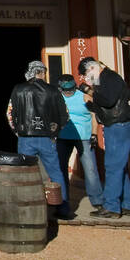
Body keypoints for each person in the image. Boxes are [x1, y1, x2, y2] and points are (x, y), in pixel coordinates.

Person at [8, 60, 74, 220]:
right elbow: (65, 115)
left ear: (30, 72)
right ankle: (62, 207)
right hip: (47, 137)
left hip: (26, 138)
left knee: (24, 173)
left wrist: (18, 131)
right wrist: (55, 132)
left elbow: (10, 113)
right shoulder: (53, 91)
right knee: (56, 172)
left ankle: (25, 207)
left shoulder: (19, 89)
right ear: (43, 72)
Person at [78, 57, 130, 219]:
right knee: (120, 166)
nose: (86, 78)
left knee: (112, 166)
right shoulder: (107, 79)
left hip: (118, 124)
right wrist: (91, 103)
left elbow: (108, 100)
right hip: (117, 123)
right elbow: (104, 104)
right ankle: (128, 204)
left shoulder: (109, 78)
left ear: (91, 68)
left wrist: (89, 91)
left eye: (85, 74)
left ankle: (111, 206)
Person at [57, 73, 103, 212]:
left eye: (70, 89)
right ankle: (63, 199)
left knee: (90, 169)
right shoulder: (58, 98)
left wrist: (94, 133)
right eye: (66, 90)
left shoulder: (84, 96)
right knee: (61, 168)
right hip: (63, 136)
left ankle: (97, 200)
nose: (68, 93)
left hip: (83, 136)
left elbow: (94, 115)